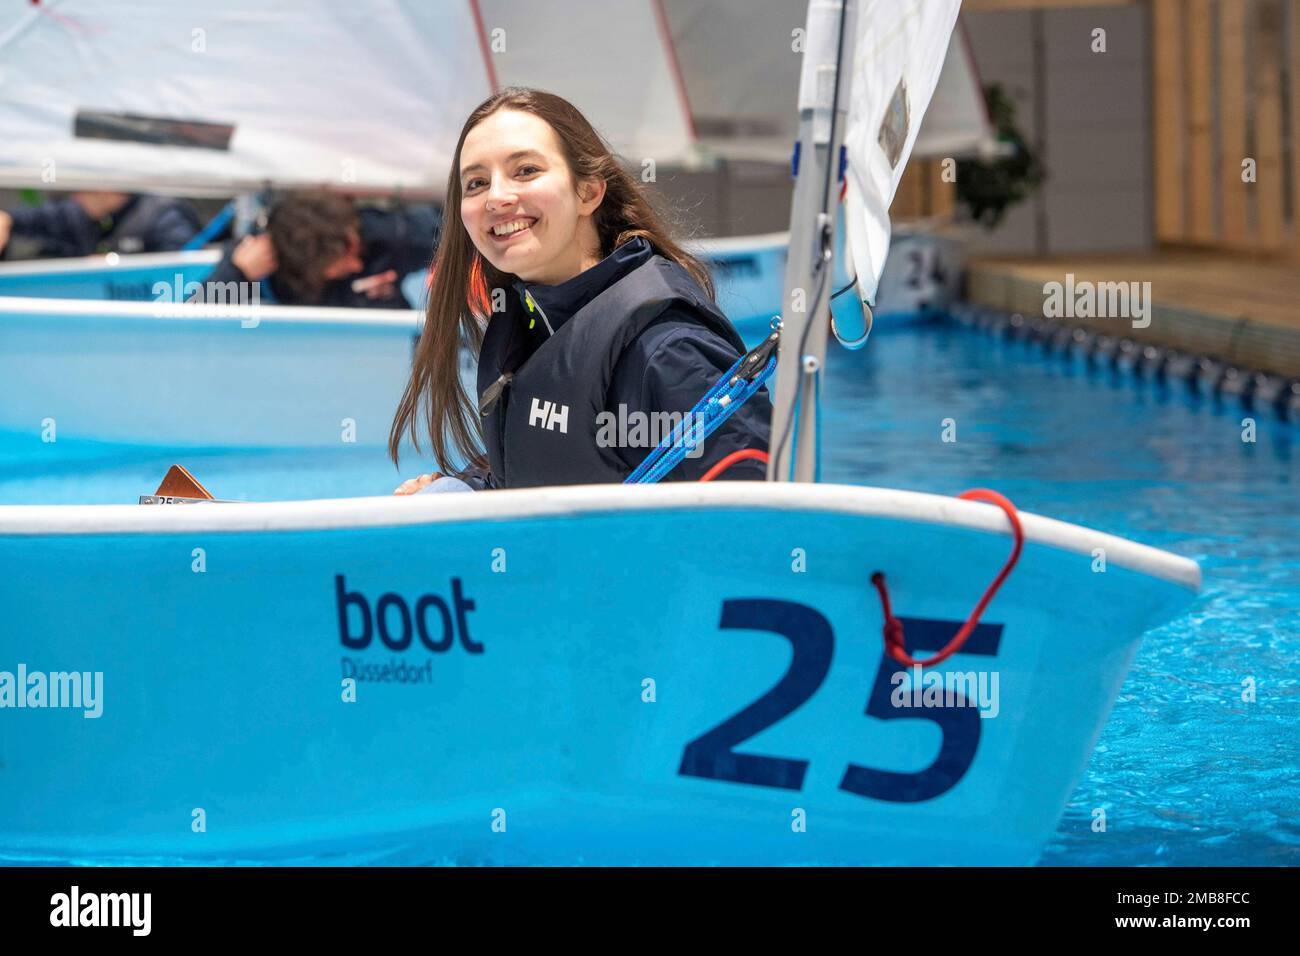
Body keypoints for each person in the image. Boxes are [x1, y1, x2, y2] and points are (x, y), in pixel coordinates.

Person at [389, 87, 770, 494]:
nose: (496, 197)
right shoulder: (534, 321)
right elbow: (550, 463)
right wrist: (467, 488)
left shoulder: (667, 350)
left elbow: (752, 528)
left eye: (525, 171)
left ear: (588, 192)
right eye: (477, 183)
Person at [195, 193, 440, 309]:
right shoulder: (255, 267)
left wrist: (385, 298)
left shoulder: (377, 236)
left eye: (356, 249)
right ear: (311, 271)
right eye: (345, 260)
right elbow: (188, 324)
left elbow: (445, 230)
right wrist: (237, 273)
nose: (357, 265)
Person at [0, 190, 200, 258]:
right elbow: (27, 219)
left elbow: (181, 273)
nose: (76, 197)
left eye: (82, 189)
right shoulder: (78, 212)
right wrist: (6, 219)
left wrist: (117, 267)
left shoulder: (163, 216)